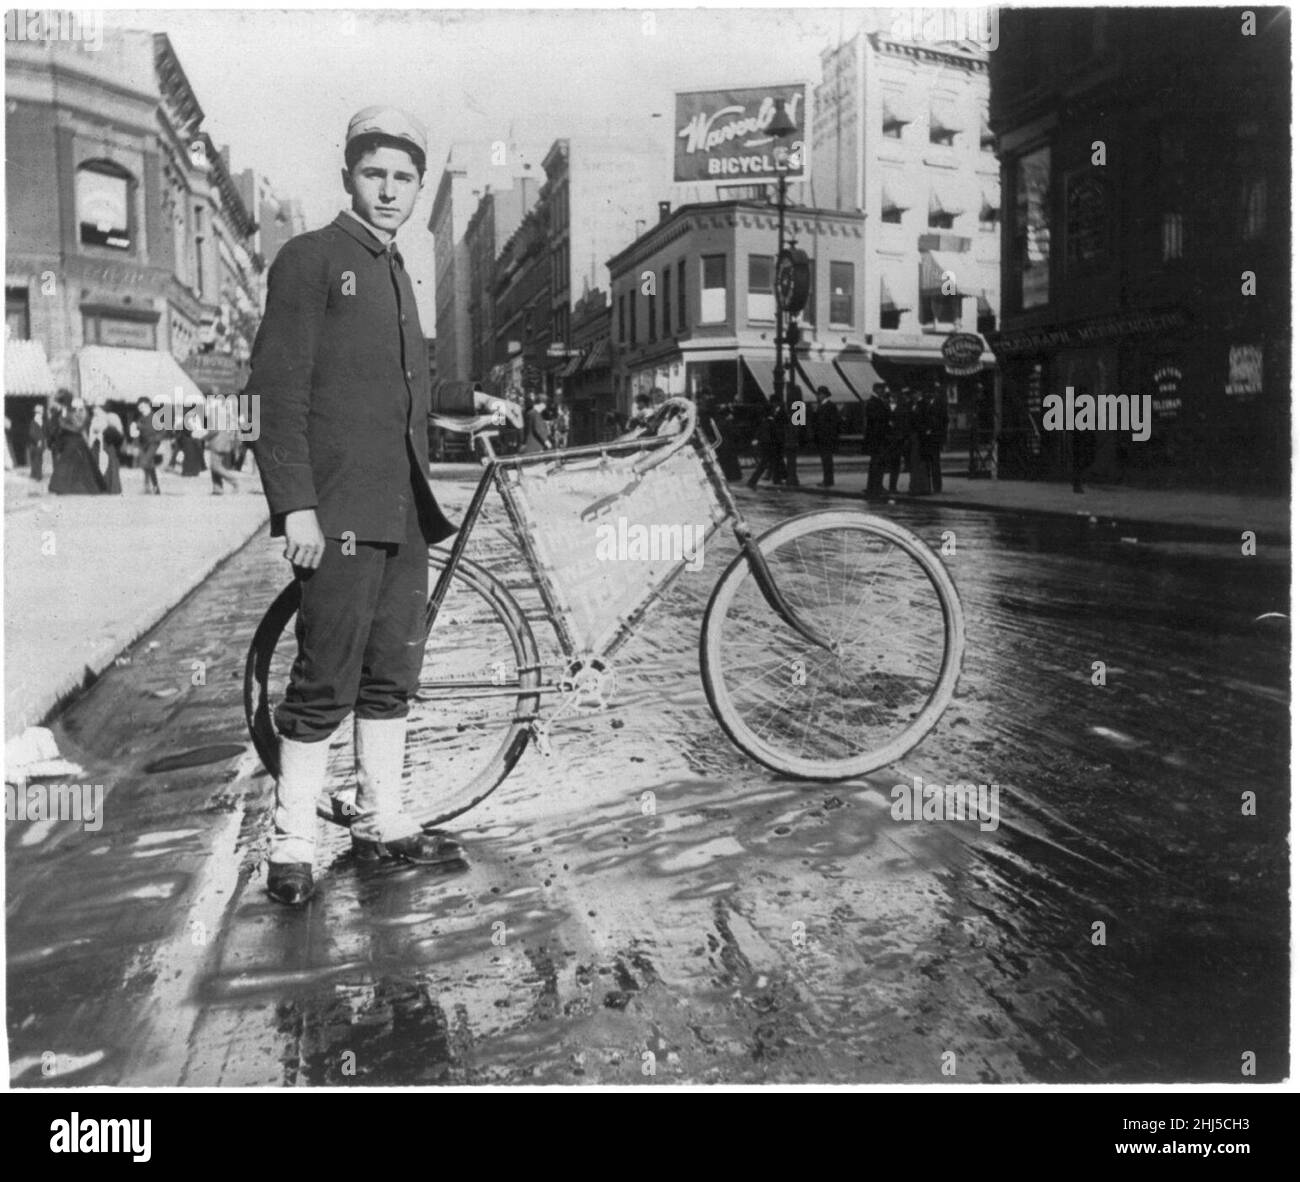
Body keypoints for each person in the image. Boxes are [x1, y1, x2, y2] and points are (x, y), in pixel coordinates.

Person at [248, 105, 506, 906]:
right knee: (324, 676)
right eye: (375, 174)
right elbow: (272, 394)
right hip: (338, 512)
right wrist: (295, 507)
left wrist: (472, 403)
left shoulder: (397, 270)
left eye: (404, 178)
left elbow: (403, 391)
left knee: (392, 673)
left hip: (403, 511)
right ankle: (291, 841)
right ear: (349, 177)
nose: (390, 190)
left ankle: (381, 817)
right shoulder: (311, 258)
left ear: (417, 184)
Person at [48, 394, 103, 495]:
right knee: (67, 466)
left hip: (75, 442)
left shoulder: (74, 414)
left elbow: (78, 427)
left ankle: (63, 487)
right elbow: (54, 428)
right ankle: (62, 488)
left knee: (73, 466)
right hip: (65, 442)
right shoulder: (59, 414)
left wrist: (63, 424)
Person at [746, 394, 787, 487]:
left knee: (773, 461)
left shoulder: (767, 420)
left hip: (770, 444)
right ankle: (753, 481)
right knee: (768, 462)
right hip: (771, 444)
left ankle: (777, 479)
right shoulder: (770, 421)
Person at [861, 381, 892, 499]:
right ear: (875, 390)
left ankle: (875, 485)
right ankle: (875, 486)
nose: (882, 391)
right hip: (876, 437)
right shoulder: (873, 402)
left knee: (879, 462)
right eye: (880, 389)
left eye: (883, 389)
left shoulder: (878, 401)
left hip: (879, 437)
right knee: (877, 462)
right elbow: (876, 419)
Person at [919, 382, 947, 493]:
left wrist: (941, 435)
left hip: (935, 437)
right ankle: (927, 486)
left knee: (935, 462)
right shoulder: (924, 404)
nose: (930, 394)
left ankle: (937, 487)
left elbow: (944, 421)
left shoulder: (940, 404)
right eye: (928, 393)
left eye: (932, 392)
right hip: (926, 438)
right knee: (926, 463)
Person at [130, 398, 162, 494]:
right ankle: (154, 487)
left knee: (145, 462)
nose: (140, 408)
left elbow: (162, 431)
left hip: (153, 443)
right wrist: (135, 443)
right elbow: (136, 433)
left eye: (142, 406)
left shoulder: (154, 417)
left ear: (147, 405)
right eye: (139, 407)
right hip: (143, 444)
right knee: (148, 465)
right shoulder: (140, 418)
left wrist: (156, 439)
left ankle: (149, 486)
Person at [88, 407, 123, 494]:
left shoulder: (110, 418)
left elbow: (117, 435)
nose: (95, 413)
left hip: (108, 446)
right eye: (94, 412)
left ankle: (112, 488)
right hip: (101, 446)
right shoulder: (95, 420)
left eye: (97, 410)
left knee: (111, 466)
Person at [811, 385, 840, 488]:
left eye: (819, 394)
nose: (818, 396)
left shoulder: (829, 406)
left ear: (824, 395)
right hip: (823, 437)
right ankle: (828, 479)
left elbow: (833, 423)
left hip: (826, 437)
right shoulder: (822, 406)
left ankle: (828, 480)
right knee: (826, 460)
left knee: (827, 460)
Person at [520, 389, 553, 454]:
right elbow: (537, 429)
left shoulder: (528, 413)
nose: (545, 407)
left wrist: (523, 443)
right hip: (536, 447)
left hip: (529, 446)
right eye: (545, 405)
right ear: (542, 404)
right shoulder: (535, 414)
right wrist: (546, 441)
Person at [27, 406, 46, 481]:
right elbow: (32, 433)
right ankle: (38, 475)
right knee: (37, 459)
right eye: (41, 411)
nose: (42, 412)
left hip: (38, 443)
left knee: (37, 459)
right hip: (36, 443)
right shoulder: (35, 421)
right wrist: (38, 440)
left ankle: (35, 474)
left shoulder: (39, 420)